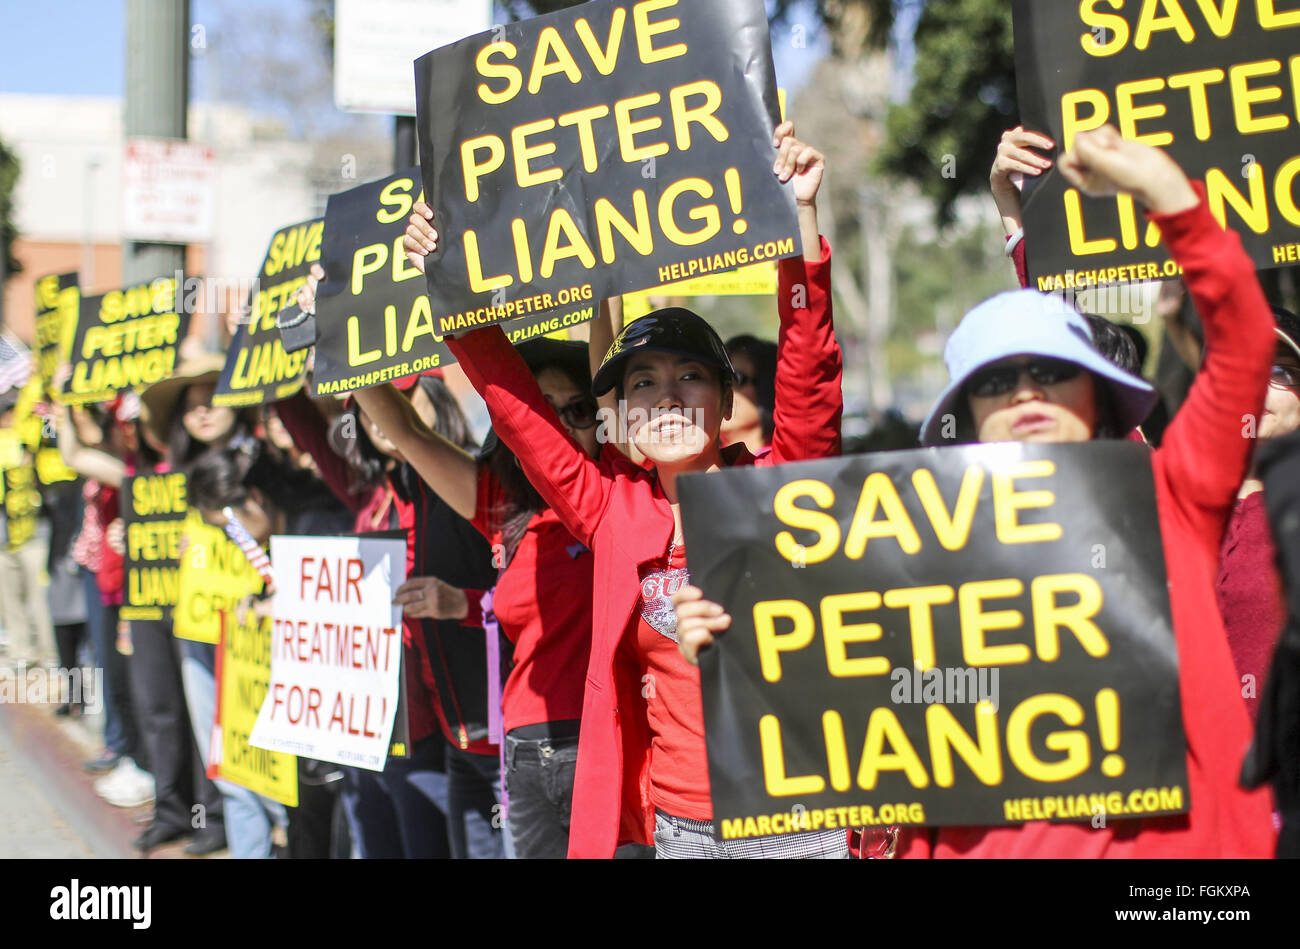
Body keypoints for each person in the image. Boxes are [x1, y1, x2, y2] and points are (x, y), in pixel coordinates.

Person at [678, 125, 1278, 857]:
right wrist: (734, 645)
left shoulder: (1168, 494)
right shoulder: (910, 550)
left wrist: (1165, 195)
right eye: (996, 381)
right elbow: (860, 715)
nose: (1026, 391)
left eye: (1051, 371)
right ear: (966, 418)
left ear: (1099, 396)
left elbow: (1243, 338)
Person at [405, 119, 847, 858]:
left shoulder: (778, 486)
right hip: (677, 828)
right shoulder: (612, 506)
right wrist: (445, 277)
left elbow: (809, 377)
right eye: (643, 382)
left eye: (689, 377)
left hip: (793, 822)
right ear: (621, 415)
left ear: (723, 401)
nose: (666, 395)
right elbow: (518, 411)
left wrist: (801, 217)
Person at [337, 309, 633, 858]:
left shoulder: (619, 493)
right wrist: (340, 332)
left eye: (580, 409)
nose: (565, 424)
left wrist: (604, 284)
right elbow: (404, 431)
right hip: (523, 753)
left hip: (607, 748)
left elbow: (609, 366)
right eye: (546, 410)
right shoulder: (501, 505)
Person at [721, 335, 777, 454]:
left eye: (735, 378)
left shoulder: (785, 458)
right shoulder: (697, 462)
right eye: (720, 378)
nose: (722, 389)